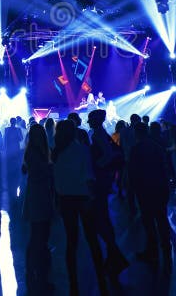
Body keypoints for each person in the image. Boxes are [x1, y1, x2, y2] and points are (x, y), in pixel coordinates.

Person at [52, 119, 108, 296]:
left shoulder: (56, 152)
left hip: (65, 199)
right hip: (83, 198)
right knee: (92, 239)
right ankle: (101, 280)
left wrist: (58, 200)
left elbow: (56, 180)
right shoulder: (82, 149)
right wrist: (92, 196)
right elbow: (88, 176)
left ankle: (73, 284)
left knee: (71, 241)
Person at [87, 109, 129, 281]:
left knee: (100, 219)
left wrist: (97, 166)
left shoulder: (98, 135)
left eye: (90, 119)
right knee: (102, 218)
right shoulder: (101, 133)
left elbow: (107, 154)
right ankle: (114, 257)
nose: (88, 122)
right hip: (104, 179)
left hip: (100, 180)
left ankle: (115, 257)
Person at [128, 122, 172, 266]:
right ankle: (166, 250)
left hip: (145, 189)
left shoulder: (136, 149)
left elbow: (133, 172)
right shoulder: (156, 147)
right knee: (162, 219)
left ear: (136, 133)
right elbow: (165, 168)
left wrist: (133, 189)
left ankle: (152, 252)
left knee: (149, 221)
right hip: (160, 187)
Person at [22, 124, 54, 294]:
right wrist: (50, 169)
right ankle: (37, 274)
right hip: (37, 196)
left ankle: (34, 272)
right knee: (38, 235)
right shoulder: (34, 153)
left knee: (38, 235)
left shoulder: (35, 152)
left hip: (39, 195)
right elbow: (37, 174)